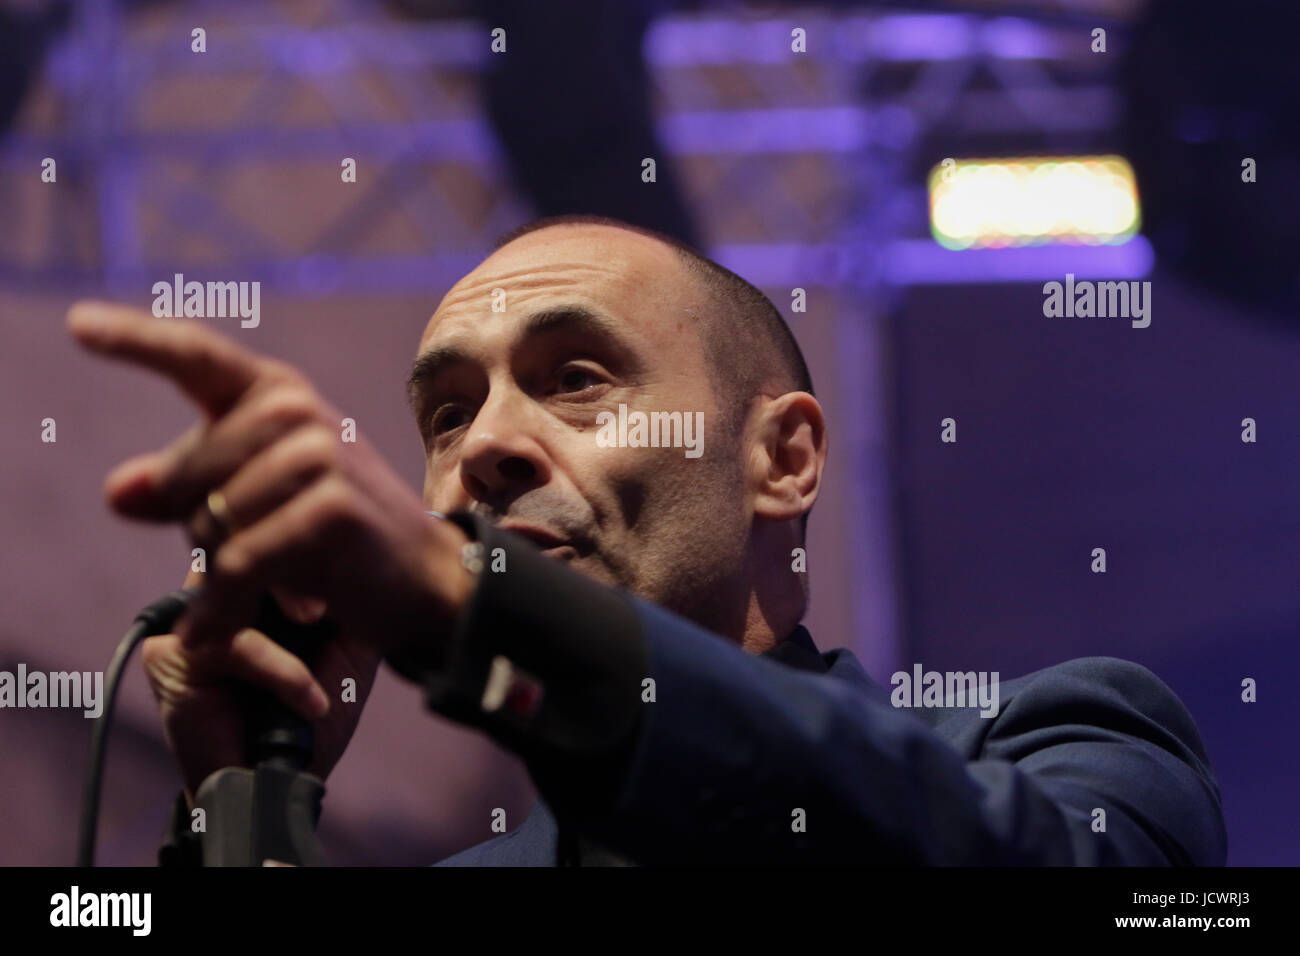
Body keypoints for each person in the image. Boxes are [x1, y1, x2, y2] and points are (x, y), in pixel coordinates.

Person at [67, 214, 1227, 866]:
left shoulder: (1061, 746)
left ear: (782, 458)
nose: (484, 449)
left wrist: (481, 609)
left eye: (574, 380)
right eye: (447, 412)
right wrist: (245, 791)